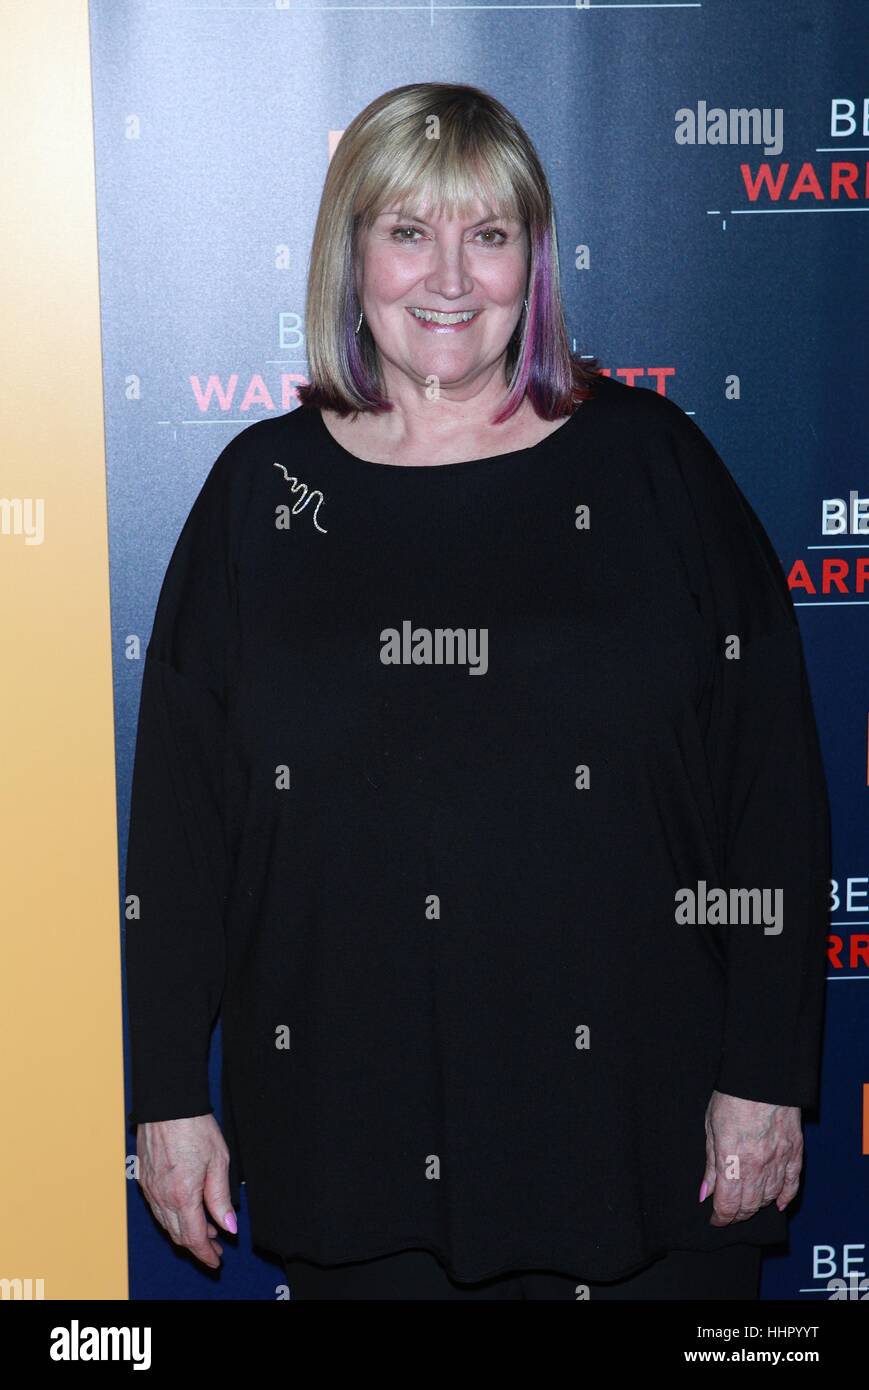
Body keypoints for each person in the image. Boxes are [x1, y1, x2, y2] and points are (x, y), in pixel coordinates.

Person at [125, 82, 832, 1301]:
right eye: (408, 232)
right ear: (351, 255)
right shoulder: (261, 496)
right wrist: (167, 1095)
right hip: (352, 1152)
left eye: (488, 235)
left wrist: (765, 1073)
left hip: (645, 1146)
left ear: (533, 261)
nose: (449, 278)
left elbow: (768, 790)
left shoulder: (654, 466)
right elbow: (181, 840)